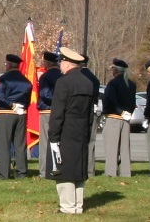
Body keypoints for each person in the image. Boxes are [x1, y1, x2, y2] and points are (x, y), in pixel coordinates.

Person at [47, 47, 96, 215]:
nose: (60, 65)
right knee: (78, 170)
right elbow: (90, 113)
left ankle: (67, 207)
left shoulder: (64, 82)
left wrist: (53, 136)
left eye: (61, 62)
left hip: (65, 130)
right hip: (81, 130)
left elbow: (58, 112)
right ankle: (78, 206)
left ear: (67, 64)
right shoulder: (88, 83)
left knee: (64, 170)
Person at [0, 53, 32, 179]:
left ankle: (4, 173)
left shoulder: (4, 79)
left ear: (9, 64)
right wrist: (21, 107)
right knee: (20, 144)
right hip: (21, 114)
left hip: (7, 113)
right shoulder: (26, 81)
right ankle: (21, 172)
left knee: (4, 144)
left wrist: (11, 105)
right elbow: (28, 99)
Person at [101, 58, 136, 177]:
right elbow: (132, 102)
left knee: (112, 147)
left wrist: (119, 112)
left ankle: (111, 172)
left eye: (113, 68)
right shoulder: (131, 84)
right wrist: (127, 113)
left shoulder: (113, 83)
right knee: (125, 148)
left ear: (116, 70)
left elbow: (110, 100)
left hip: (114, 117)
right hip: (126, 118)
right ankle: (126, 172)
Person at [37, 51, 62, 178]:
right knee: (57, 142)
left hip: (47, 111)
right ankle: (57, 166)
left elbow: (45, 94)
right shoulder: (62, 76)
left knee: (45, 141)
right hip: (60, 111)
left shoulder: (45, 77)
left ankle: (44, 170)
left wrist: (55, 102)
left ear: (47, 63)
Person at [79, 57, 101, 177]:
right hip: (93, 109)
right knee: (91, 141)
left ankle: (82, 168)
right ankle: (90, 169)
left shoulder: (80, 77)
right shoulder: (94, 78)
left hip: (82, 112)